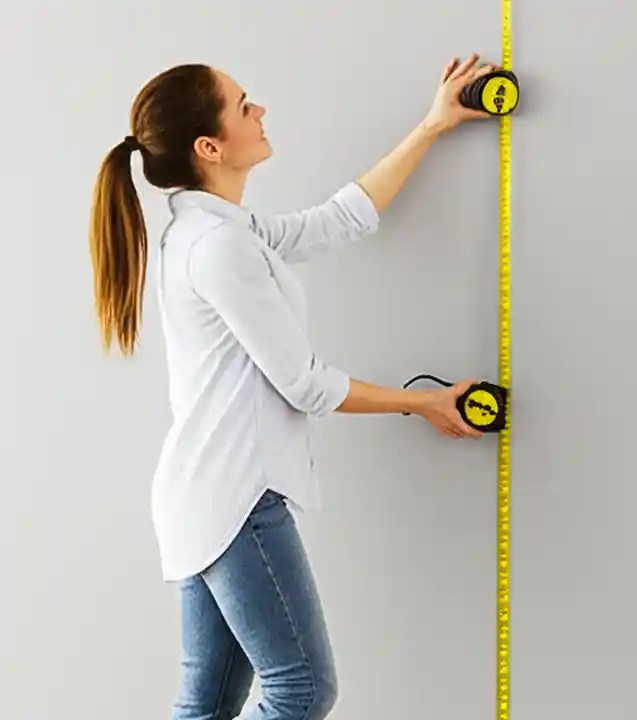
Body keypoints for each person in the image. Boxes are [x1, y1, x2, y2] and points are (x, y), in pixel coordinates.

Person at [88, 55, 496, 719]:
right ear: (209, 146)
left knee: (208, 704)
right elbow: (304, 384)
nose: (261, 110)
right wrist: (423, 401)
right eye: (243, 104)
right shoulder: (215, 248)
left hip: (208, 496)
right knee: (300, 691)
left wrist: (432, 125)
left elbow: (335, 220)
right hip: (233, 499)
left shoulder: (219, 233)